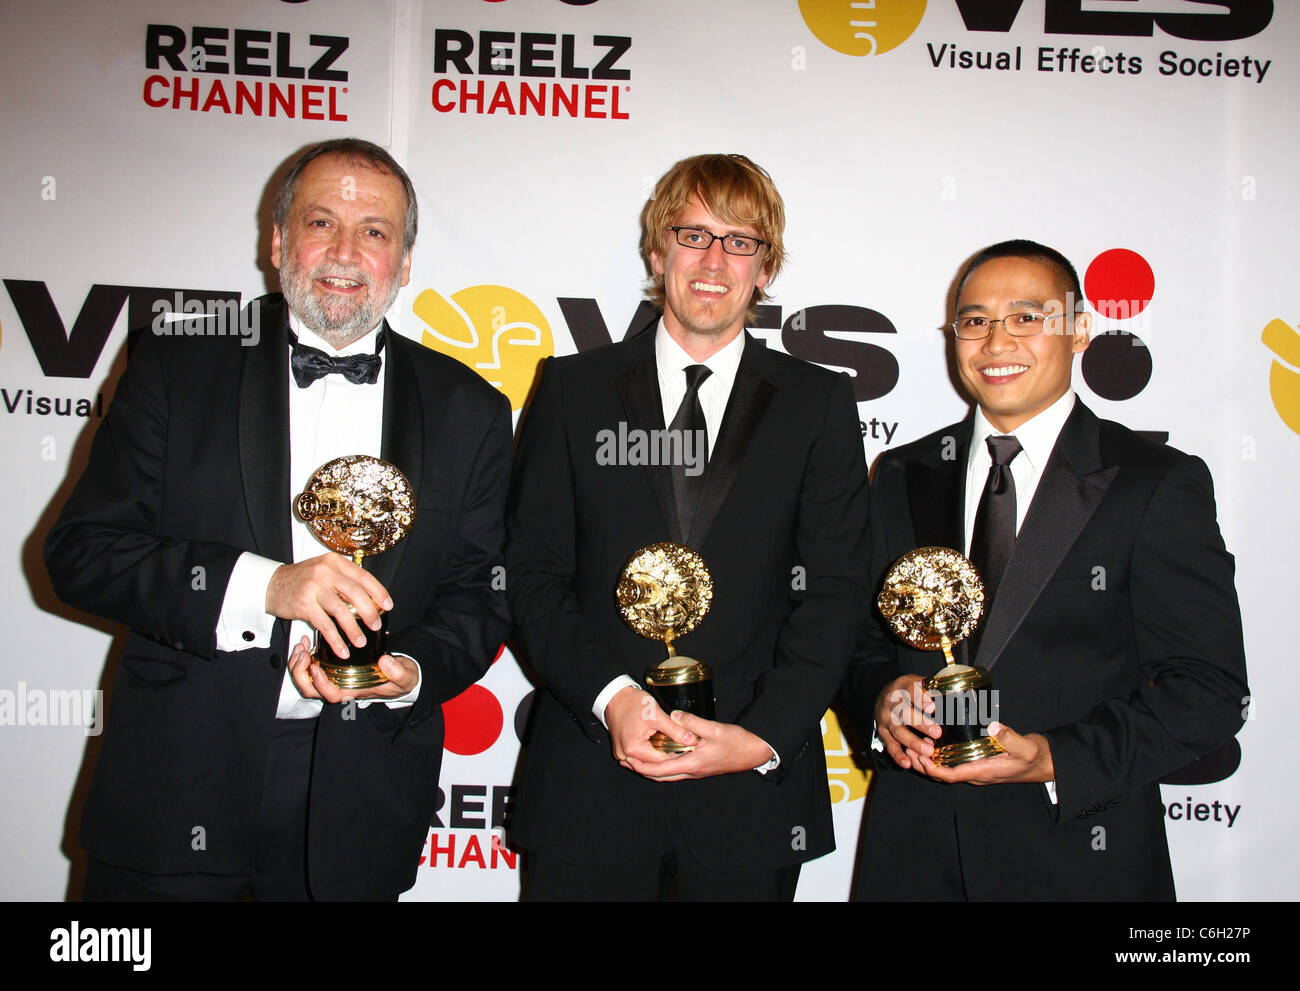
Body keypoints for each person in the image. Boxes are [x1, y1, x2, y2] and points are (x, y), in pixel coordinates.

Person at [45, 138, 512, 901]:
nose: (345, 251)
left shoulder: (471, 409)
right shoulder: (177, 362)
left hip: (357, 804)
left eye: (375, 231)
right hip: (176, 788)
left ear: (405, 255)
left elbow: (481, 593)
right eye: (321, 222)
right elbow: (82, 552)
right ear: (276, 239)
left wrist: (408, 674)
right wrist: (266, 587)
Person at [505, 153, 870, 900]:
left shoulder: (818, 403)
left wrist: (762, 736)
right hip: (588, 779)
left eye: (740, 241)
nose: (713, 261)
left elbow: (835, 593)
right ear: (656, 250)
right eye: (693, 234)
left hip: (750, 801)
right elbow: (531, 576)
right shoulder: (571, 391)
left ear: (765, 267)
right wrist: (613, 697)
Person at [841, 239, 1248, 900]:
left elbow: (1209, 688)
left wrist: (1054, 758)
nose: (996, 341)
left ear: (1079, 330)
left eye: (1026, 317)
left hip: (1078, 857)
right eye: (974, 321)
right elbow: (860, 643)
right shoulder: (902, 473)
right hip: (910, 855)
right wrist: (882, 701)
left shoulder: (1155, 483)